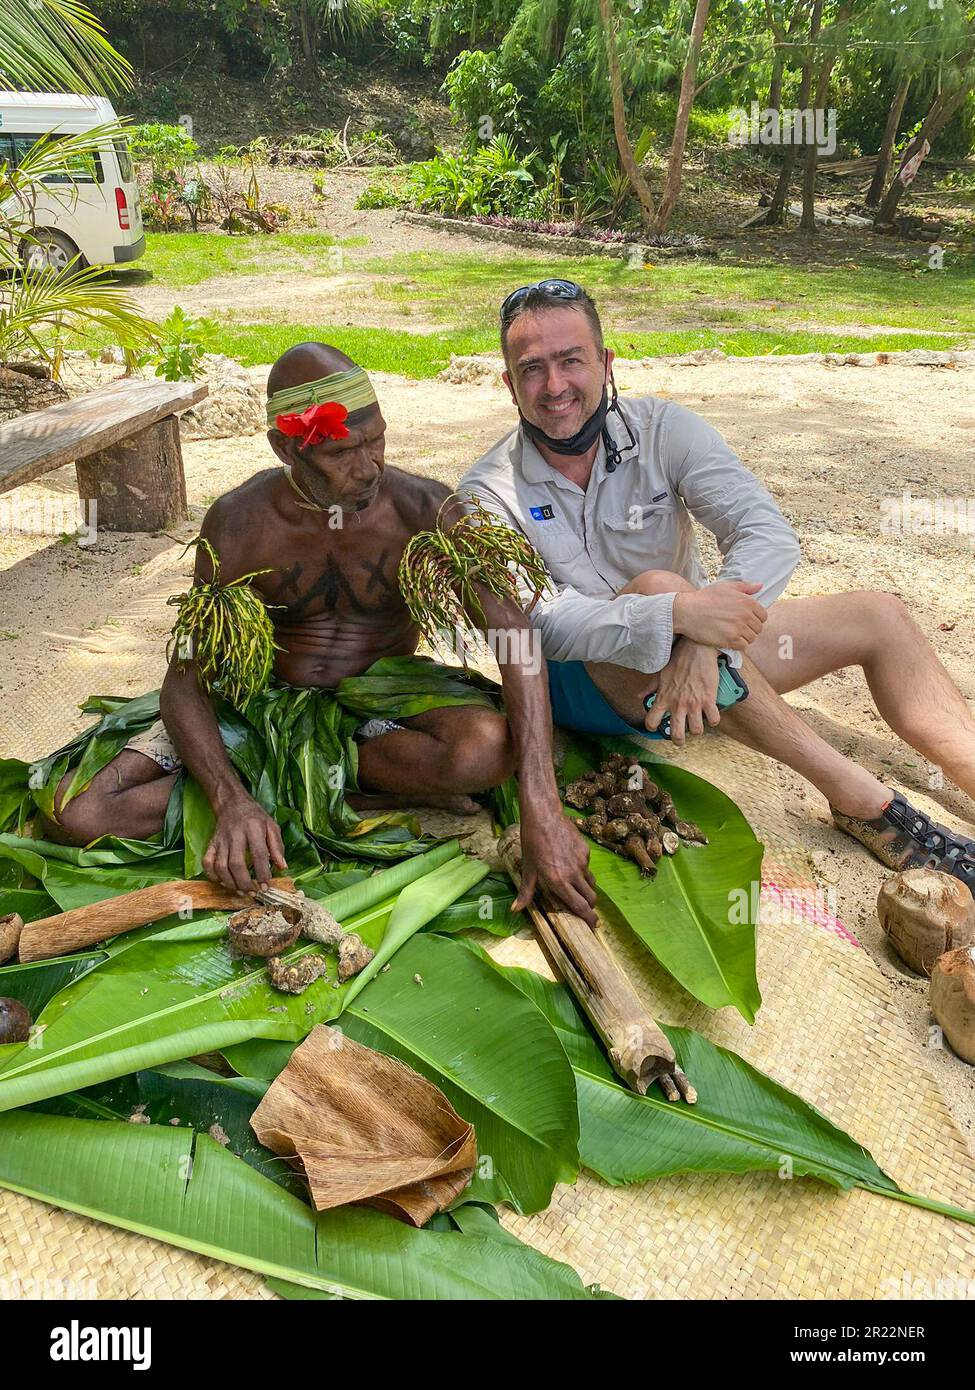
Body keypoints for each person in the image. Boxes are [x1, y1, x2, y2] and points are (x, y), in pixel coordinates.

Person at [36, 342, 595, 921]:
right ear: (285, 447)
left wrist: (541, 805)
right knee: (73, 811)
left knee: (486, 747)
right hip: (260, 713)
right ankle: (319, 798)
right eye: (341, 453)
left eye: (376, 440)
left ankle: (304, 794)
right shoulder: (239, 522)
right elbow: (184, 676)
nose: (369, 466)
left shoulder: (423, 509)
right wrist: (229, 801)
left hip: (375, 710)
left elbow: (514, 635)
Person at [458, 279, 975, 887]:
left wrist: (703, 635)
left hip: (706, 664)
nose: (555, 386)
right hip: (586, 685)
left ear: (604, 362)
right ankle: (860, 799)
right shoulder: (488, 490)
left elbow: (765, 533)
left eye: (571, 360)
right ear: (509, 384)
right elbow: (543, 621)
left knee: (879, 615)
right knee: (657, 586)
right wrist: (676, 615)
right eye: (531, 369)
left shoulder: (664, 429)